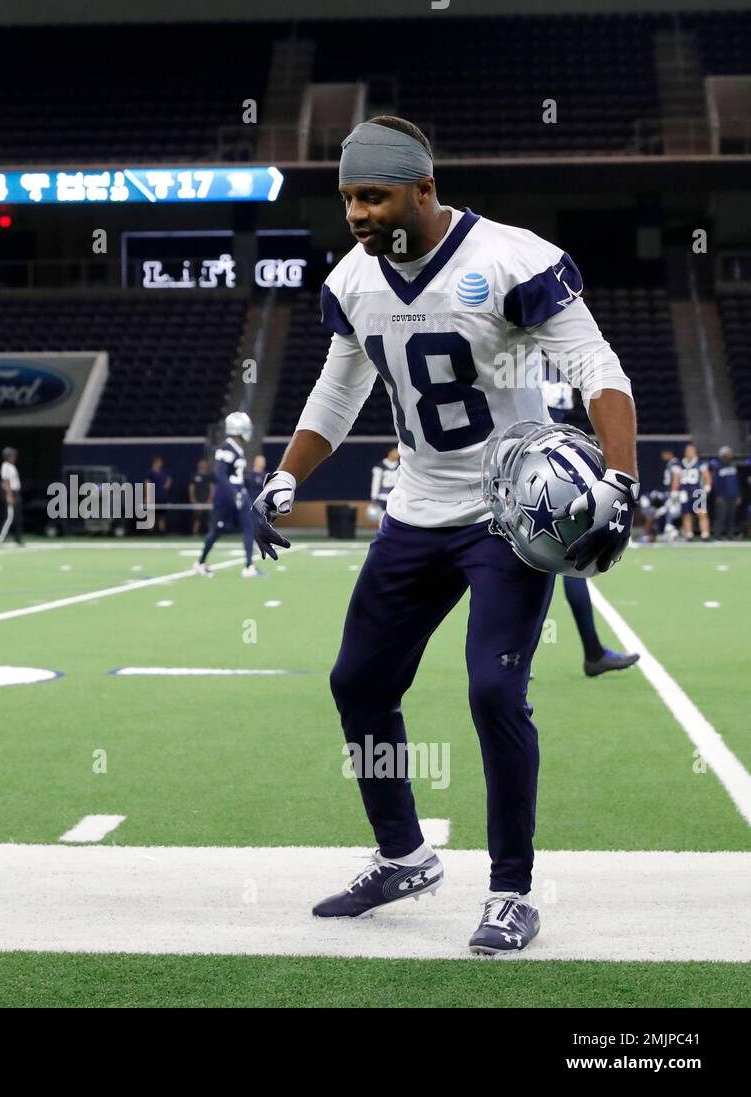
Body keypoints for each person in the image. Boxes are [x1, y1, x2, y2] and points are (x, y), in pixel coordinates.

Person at [251, 116, 637, 954]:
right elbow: (337, 392)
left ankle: (511, 890)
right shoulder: (354, 279)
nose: (357, 212)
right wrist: (287, 474)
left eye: (374, 195)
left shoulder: (509, 258)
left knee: (494, 692)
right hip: (417, 508)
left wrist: (621, 475)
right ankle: (403, 852)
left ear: (424, 189)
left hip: (510, 512)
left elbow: (598, 369)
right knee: (357, 682)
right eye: (349, 196)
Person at [542, 368, 638, 677]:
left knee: (565, 565)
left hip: (539, 469)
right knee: (560, 566)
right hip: (542, 471)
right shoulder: (535, 369)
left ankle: (591, 652)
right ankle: (589, 653)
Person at [195, 411, 258, 577]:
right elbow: (220, 473)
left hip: (239, 493)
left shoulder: (238, 448)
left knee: (249, 527)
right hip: (226, 495)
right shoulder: (226, 447)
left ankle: (249, 566)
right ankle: (201, 562)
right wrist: (233, 492)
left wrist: (241, 490)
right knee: (217, 530)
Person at [670, 442, 711, 542]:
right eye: (687, 450)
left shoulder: (700, 463)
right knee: (686, 514)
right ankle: (689, 534)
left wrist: (707, 486)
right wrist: (674, 491)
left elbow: (707, 476)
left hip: (698, 491)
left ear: (695, 452)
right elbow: (676, 479)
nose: (689, 452)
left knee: (701, 513)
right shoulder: (679, 464)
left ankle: (705, 535)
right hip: (684, 491)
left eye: (691, 450)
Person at [0, 446, 24, 546]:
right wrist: (9, 495)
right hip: (11, 493)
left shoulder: (11, 466)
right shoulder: (6, 466)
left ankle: (18, 539)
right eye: (13, 455)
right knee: (9, 517)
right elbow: (6, 482)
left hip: (15, 493)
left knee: (17, 517)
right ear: (8, 456)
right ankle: (0, 538)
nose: (15, 457)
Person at [709, 445, 740, 539]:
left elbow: (736, 481)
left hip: (733, 495)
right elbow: (715, 482)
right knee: (720, 517)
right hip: (722, 496)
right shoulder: (717, 466)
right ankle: (717, 535)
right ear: (722, 455)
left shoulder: (733, 465)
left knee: (731, 517)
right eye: (727, 453)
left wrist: (738, 495)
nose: (729, 455)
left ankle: (730, 535)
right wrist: (718, 495)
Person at [367, 445, 399, 526]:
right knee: (383, 516)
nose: (397, 453)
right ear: (390, 453)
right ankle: (382, 532)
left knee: (396, 516)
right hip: (383, 495)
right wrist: (374, 496)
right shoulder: (380, 465)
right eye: (395, 451)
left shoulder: (400, 465)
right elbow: (376, 482)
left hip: (396, 495)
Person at [144, 455, 173, 534]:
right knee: (151, 515)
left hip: (162, 497)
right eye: (159, 462)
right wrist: (147, 496)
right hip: (153, 497)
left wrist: (167, 485)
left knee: (162, 516)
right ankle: (151, 533)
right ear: (155, 462)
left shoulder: (164, 473)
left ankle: (162, 533)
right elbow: (147, 484)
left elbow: (169, 479)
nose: (161, 463)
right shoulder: (150, 473)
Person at [188, 458, 212, 536]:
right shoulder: (194, 475)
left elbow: (212, 488)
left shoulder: (209, 476)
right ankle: (195, 534)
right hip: (197, 500)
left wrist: (210, 499)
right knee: (197, 518)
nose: (202, 465)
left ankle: (211, 534)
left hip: (207, 500)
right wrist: (193, 498)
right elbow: (191, 487)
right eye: (201, 464)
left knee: (209, 518)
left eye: (204, 463)